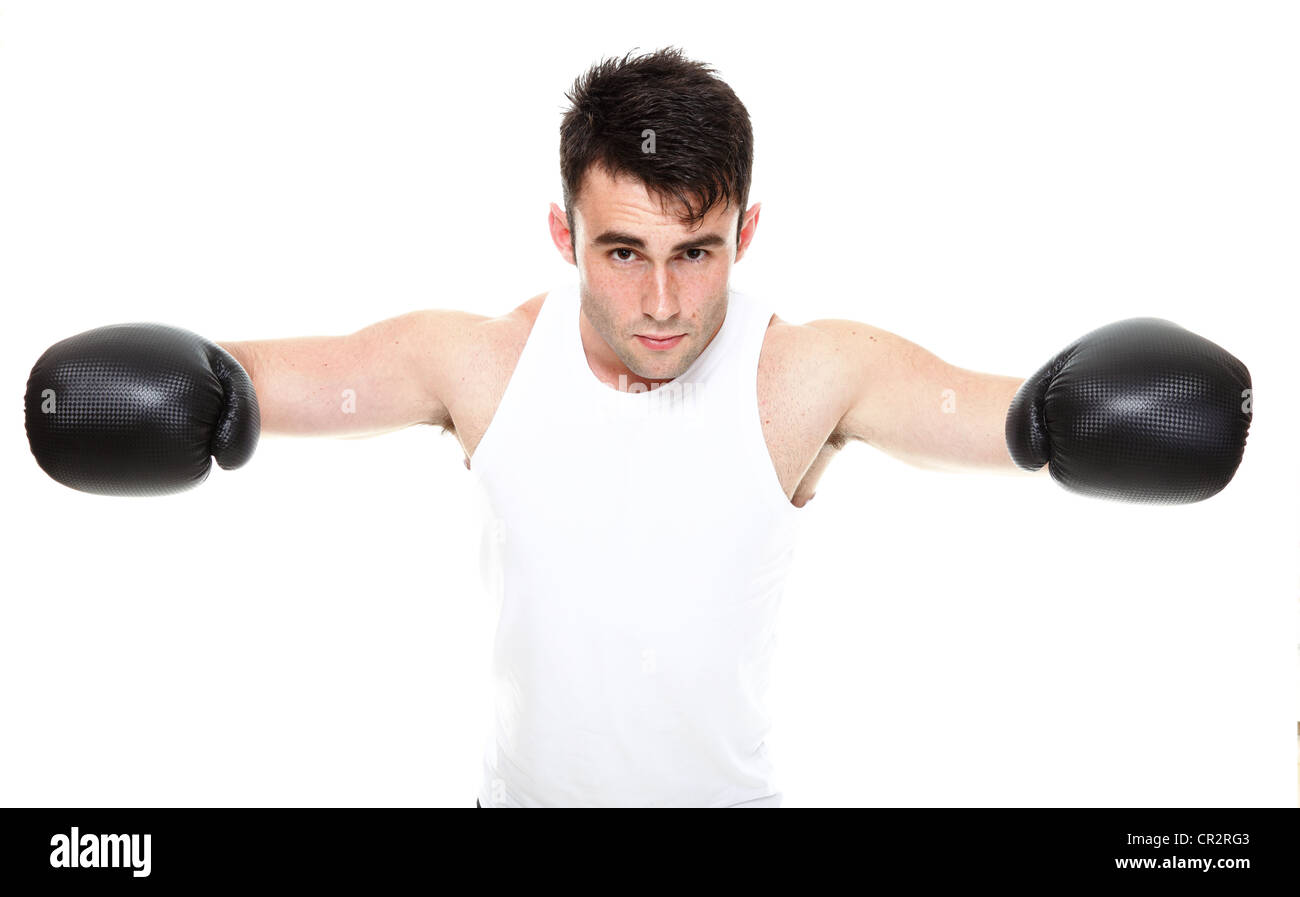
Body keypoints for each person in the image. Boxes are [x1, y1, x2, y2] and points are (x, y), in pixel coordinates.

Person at [23, 48, 1252, 807]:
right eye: (621, 253)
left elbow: (1018, 417)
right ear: (562, 234)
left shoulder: (811, 375)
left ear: (746, 235)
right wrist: (185, 395)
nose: (661, 303)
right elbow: (252, 383)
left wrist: (1069, 415)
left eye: (694, 253)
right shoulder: (479, 363)